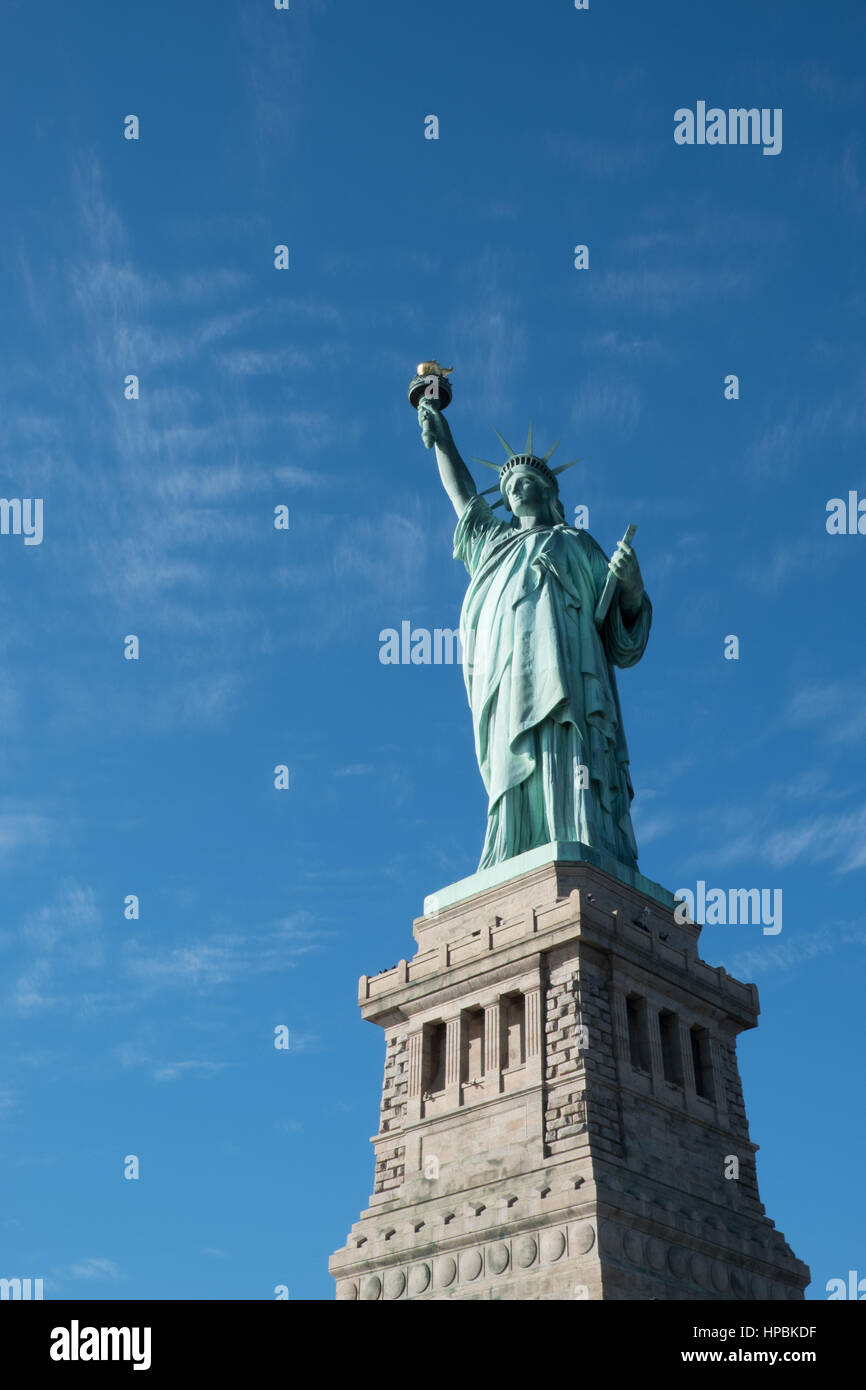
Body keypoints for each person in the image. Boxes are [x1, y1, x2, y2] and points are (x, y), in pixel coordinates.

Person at [418, 395, 652, 872]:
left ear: (549, 493)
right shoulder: (493, 545)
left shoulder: (576, 544)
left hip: (570, 674)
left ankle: (580, 831)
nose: (516, 490)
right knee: (513, 752)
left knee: (569, 737)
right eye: (508, 486)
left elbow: (620, 638)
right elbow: (463, 497)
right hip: (507, 675)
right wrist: (443, 440)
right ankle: (514, 841)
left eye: (526, 482)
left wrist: (631, 586)